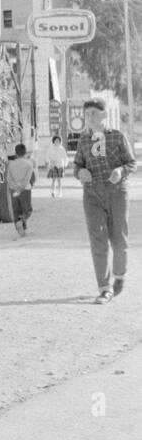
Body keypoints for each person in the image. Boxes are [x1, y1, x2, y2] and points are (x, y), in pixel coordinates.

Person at [73, 98, 135, 303]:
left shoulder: (117, 137)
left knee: (119, 242)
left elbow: (131, 163)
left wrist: (120, 170)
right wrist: (80, 171)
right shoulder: (83, 140)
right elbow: (76, 166)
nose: (89, 117)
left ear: (104, 115)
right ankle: (104, 288)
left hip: (117, 192)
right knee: (97, 242)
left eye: (93, 113)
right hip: (91, 194)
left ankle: (120, 274)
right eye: (87, 113)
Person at [6, 143, 36, 236]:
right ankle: (22, 221)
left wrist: (15, 187)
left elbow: (8, 179)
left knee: (16, 210)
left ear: (15, 152)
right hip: (25, 189)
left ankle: (21, 229)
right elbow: (28, 179)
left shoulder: (11, 164)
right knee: (27, 210)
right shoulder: (29, 164)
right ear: (25, 152)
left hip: (13, 189)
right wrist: (21, 187)